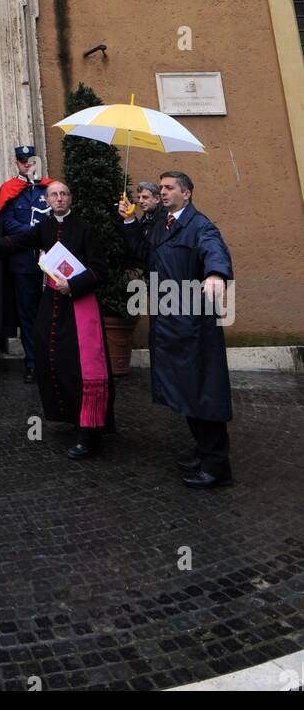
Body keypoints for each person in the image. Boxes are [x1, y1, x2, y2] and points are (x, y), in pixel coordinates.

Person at [0, 181, 115, 459]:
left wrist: (74, 285)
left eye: (64, 194)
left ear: (70, 198)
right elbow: (15, 242)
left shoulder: (84, 228)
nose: (59, 199)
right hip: (52, 306)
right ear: (46, 199)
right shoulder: (44, 227)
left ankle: (89, 433)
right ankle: (73, 418)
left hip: (79, 308)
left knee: (79, 370)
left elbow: (100, 270)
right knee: (51, 361)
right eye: (54, 195)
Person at [118, 171, 234, 488]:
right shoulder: (161, 224)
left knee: (204, 391)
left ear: (187, 194)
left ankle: (217, 466)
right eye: (162, 187)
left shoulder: (200, 225)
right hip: (169, 322)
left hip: (194, 323)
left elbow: (214, 249)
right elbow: (143, 255)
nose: (162, 192)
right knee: (187, 391)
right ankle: (204, 451)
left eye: (169, 188)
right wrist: (129, 222)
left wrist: (215, 275)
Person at [0, 145, 52, 382]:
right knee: (28, 316)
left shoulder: (49, 188)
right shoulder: (9, 190)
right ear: (17, 163)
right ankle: (33, 363)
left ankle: (53, 360)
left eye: (31, 161)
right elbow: (7, 224)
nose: (27, 165)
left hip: (52, 262)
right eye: (22, 161)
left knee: (52, 314)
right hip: (24, 263)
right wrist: (35, 235)